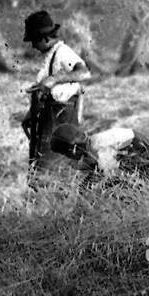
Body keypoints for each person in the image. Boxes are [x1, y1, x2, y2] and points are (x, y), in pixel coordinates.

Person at [20, 11, 92, 185]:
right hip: (50, 116)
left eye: (34, 41)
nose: (33, 46)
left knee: (51, 169)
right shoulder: (51, 56)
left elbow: (84, 72)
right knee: (42, 166)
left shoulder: (63, 52)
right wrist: (31, 113)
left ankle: (51, 206)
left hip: (61, 116)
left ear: (44, 38)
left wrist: (53, 79)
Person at [50, 122, 149, 194]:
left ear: (73, 149)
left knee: (110, 188)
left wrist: (80, 191)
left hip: (148, 160)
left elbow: (99, 174)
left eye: (65, 154)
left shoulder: (99, 149)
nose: (68, 158)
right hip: (138, 154)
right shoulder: (93, 143)